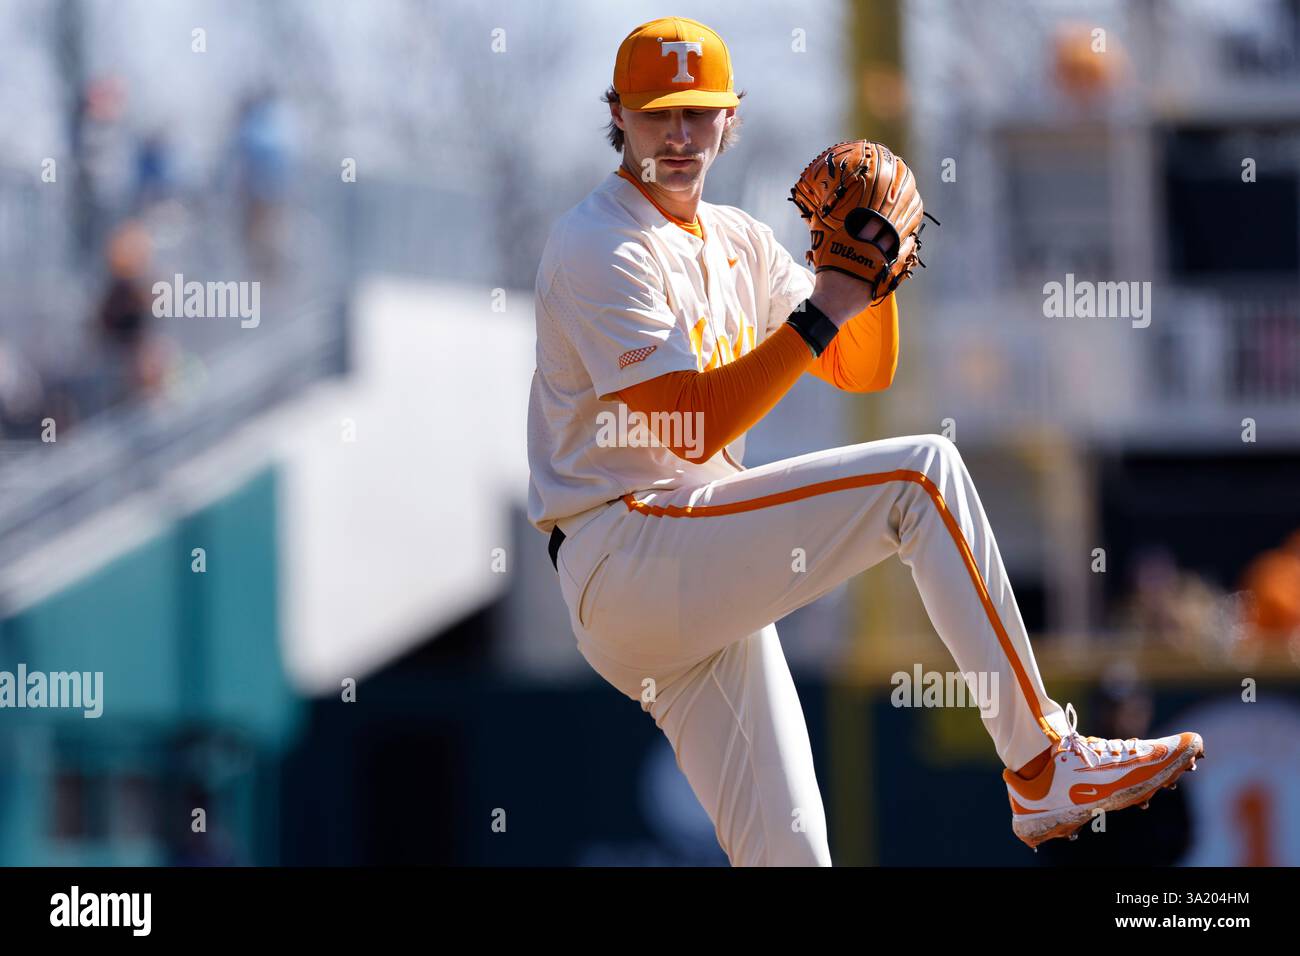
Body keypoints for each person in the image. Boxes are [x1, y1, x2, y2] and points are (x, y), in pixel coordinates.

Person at [526, 16, 1204, 865]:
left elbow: (859, 367)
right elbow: (688, 423)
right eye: (658, 111)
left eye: (698, 112)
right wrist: (831, 297)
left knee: (795, 853)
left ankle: (1042, 769)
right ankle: (1043, 764)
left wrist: (870, 272)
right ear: (618, 115)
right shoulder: (600, 243)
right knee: (921, 478)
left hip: (691, 571)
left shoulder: (737, 239)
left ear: (730, 119)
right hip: (621, 545)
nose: (679, 133)